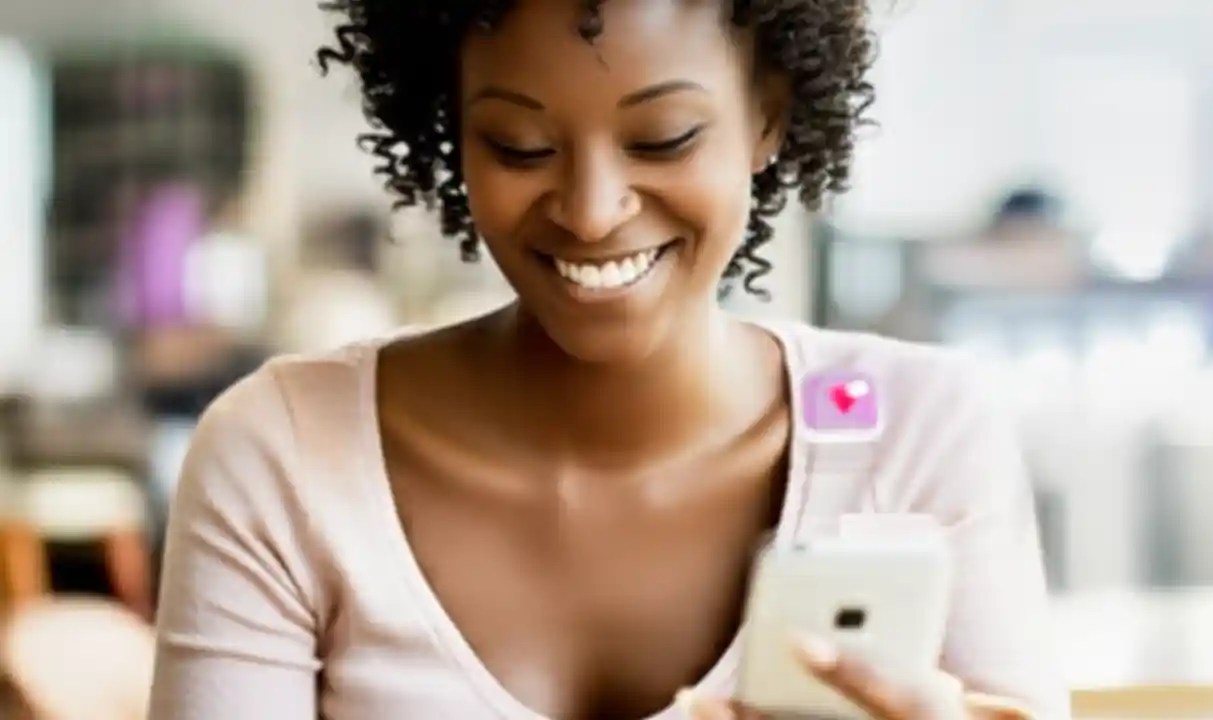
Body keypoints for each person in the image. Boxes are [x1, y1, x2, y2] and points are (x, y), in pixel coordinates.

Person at [147, 1, 1069, 718]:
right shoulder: (283, 459)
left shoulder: (921, 434)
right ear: (452, 131)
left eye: (664, 139)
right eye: (520, 146)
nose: (590, 210)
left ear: (768, 118)